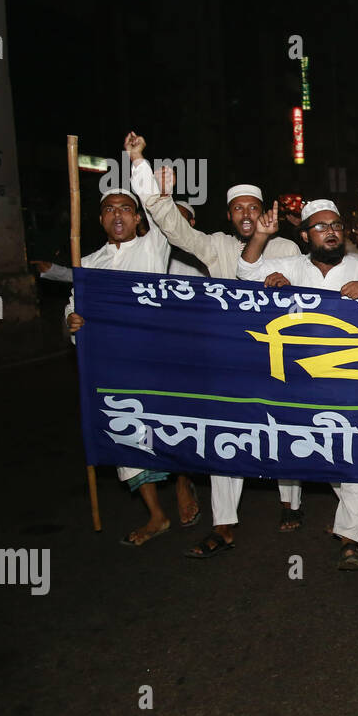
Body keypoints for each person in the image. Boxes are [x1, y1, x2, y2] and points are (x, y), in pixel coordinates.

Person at [136, 171, 312, 538]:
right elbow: (175, 230)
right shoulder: (215, 245)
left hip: (276, 358)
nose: (246, 214)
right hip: (228, 360)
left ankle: (288, 504)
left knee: (282, 429)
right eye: (237, 209)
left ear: (265, 212)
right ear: (229, 215)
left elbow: (305, 300)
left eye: (253, 207)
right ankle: (224, 524)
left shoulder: (287, 250)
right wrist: (143, 172)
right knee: (225, 435)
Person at [64, 131, 200, 545]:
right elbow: (72, 309)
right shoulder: (87, 263)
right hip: (115, 366)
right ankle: (155, 515)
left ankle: (181, 481)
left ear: (137, 219)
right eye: (110, 210)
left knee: (171, 427)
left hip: (158, 360)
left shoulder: (152, 247)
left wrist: (137, 160)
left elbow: (161, 212)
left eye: (126, 208)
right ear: (101, 219)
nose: (119, 214)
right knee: (126, 438)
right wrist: (72, 323)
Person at [237, 198, 358, 570]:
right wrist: (261, 239)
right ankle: (300, 507)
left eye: (336, 224)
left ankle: (349, 541)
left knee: (356, 463)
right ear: (305, 236)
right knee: (308, 452)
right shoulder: (289, 267)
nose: (331, 231)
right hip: (296, 387)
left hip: (349, 384)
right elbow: (244, 271)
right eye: (321, 227)